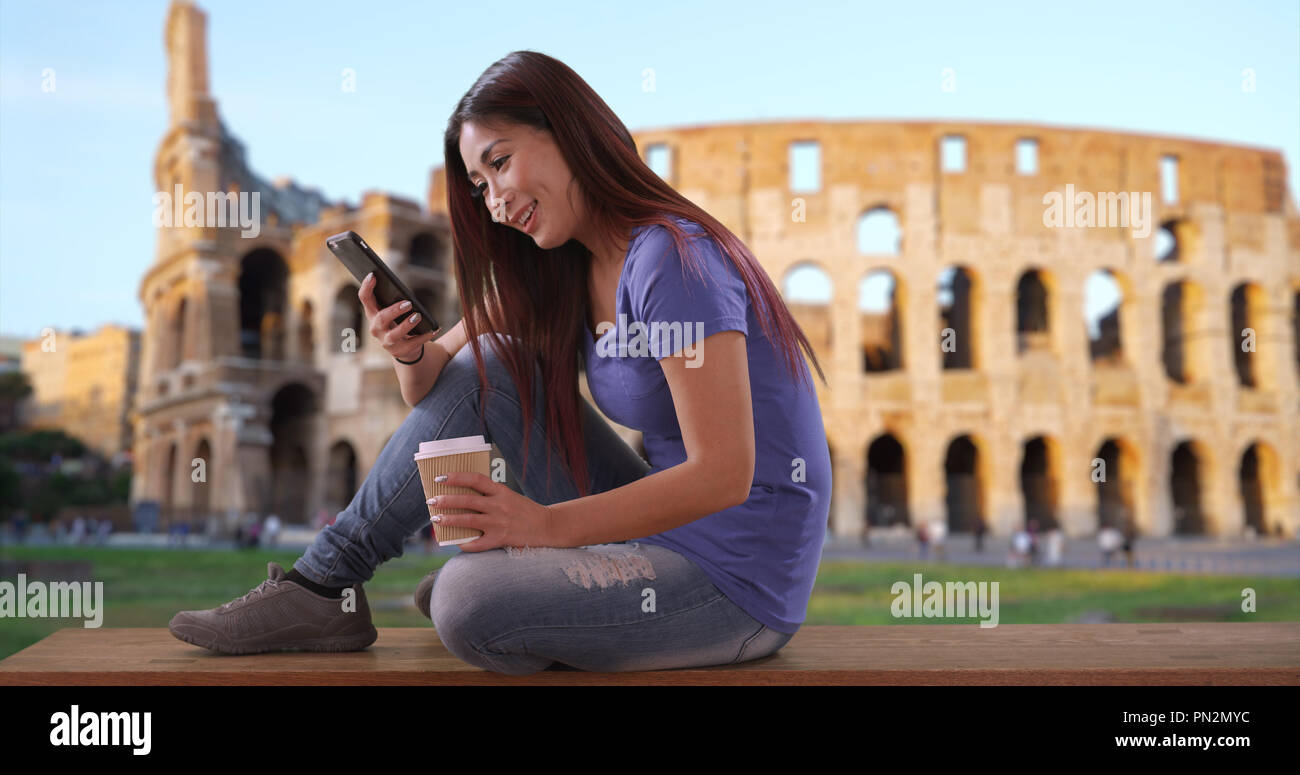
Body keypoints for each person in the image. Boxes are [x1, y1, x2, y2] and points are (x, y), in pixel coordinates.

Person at [169, 51, 831, 674]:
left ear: (570, 131)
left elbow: (724, 475)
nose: (494, 201)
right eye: (480, 184)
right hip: (672, 537)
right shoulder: (571, 262)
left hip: (738, 582)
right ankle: (323, 585)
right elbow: (444, 385)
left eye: (501, 163)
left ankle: (517, 595)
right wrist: (408, 351)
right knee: (497, 360)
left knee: (464, 598)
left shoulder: (671, 259)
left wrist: (542, 527)